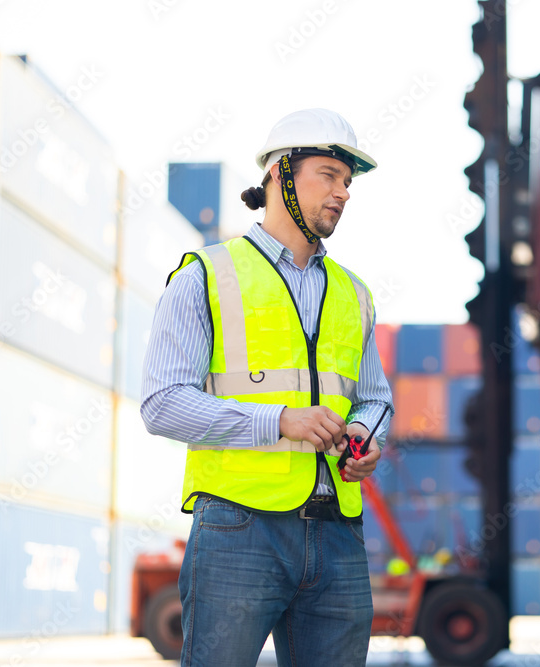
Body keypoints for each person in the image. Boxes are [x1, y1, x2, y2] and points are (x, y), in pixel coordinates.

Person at [140, 108, 394, 667]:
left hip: (337, 532)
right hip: (238, 528)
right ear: (281, 173)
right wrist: (278, 420)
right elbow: (161, 404)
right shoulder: (205, 274)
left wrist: (366, 435)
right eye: (328, 174)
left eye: (348, 182)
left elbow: (376, 398)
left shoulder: (355, 293)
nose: (343, 192)